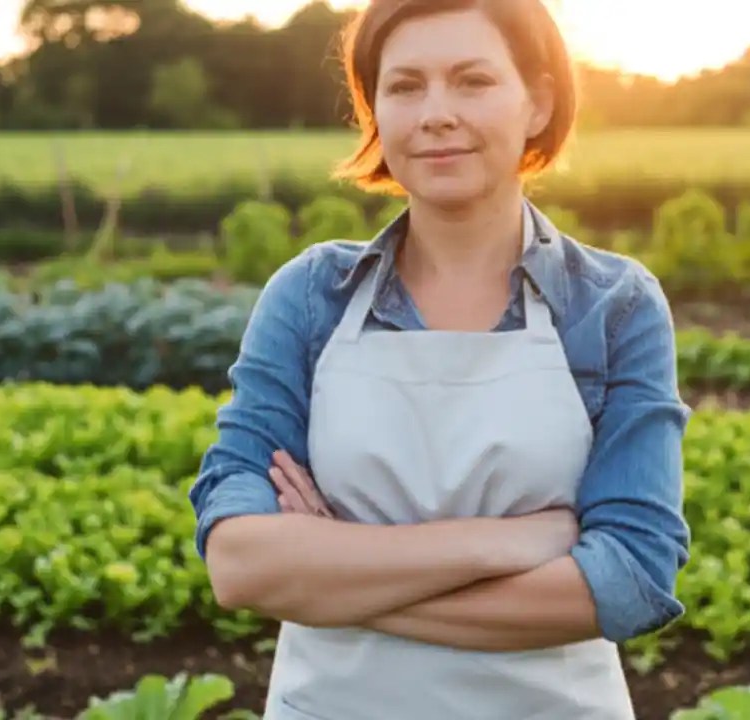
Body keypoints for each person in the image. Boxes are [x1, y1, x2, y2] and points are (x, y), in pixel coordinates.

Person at [188, 0, 691, 717]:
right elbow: (239, 564)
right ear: (375, 112)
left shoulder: (613, 307)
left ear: (538, 103)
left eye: (472, 81)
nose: (435, 113)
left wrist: (333, 572)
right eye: (404, 86)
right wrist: (506, 543)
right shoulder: (309, 298)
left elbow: (629, 579)